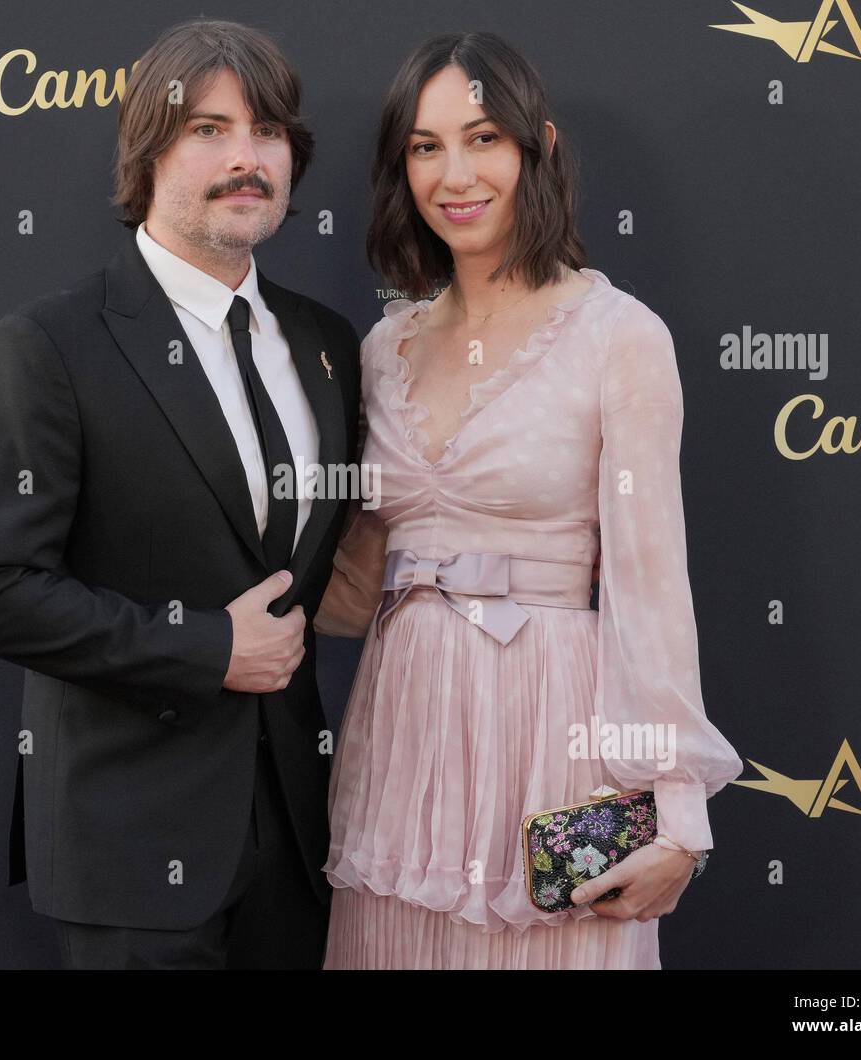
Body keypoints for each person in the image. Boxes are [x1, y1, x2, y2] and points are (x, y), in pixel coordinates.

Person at [313, 31, 745, 969]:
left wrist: (678, 812)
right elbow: (348, 585)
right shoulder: (385, 347)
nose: (454, 174)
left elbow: (649, 583)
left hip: (556, 735)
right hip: (402, 738)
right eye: (425, 147)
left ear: (536, 145)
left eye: (482, 138)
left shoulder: (617, 336)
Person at [0, 18, 362, 969]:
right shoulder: (52, 344)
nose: (246, 158)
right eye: (207, 129)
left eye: (266, 132)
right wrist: (209, 645)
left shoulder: (326, 344)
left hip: (299, 838)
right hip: (131, 846)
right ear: (147, 150)